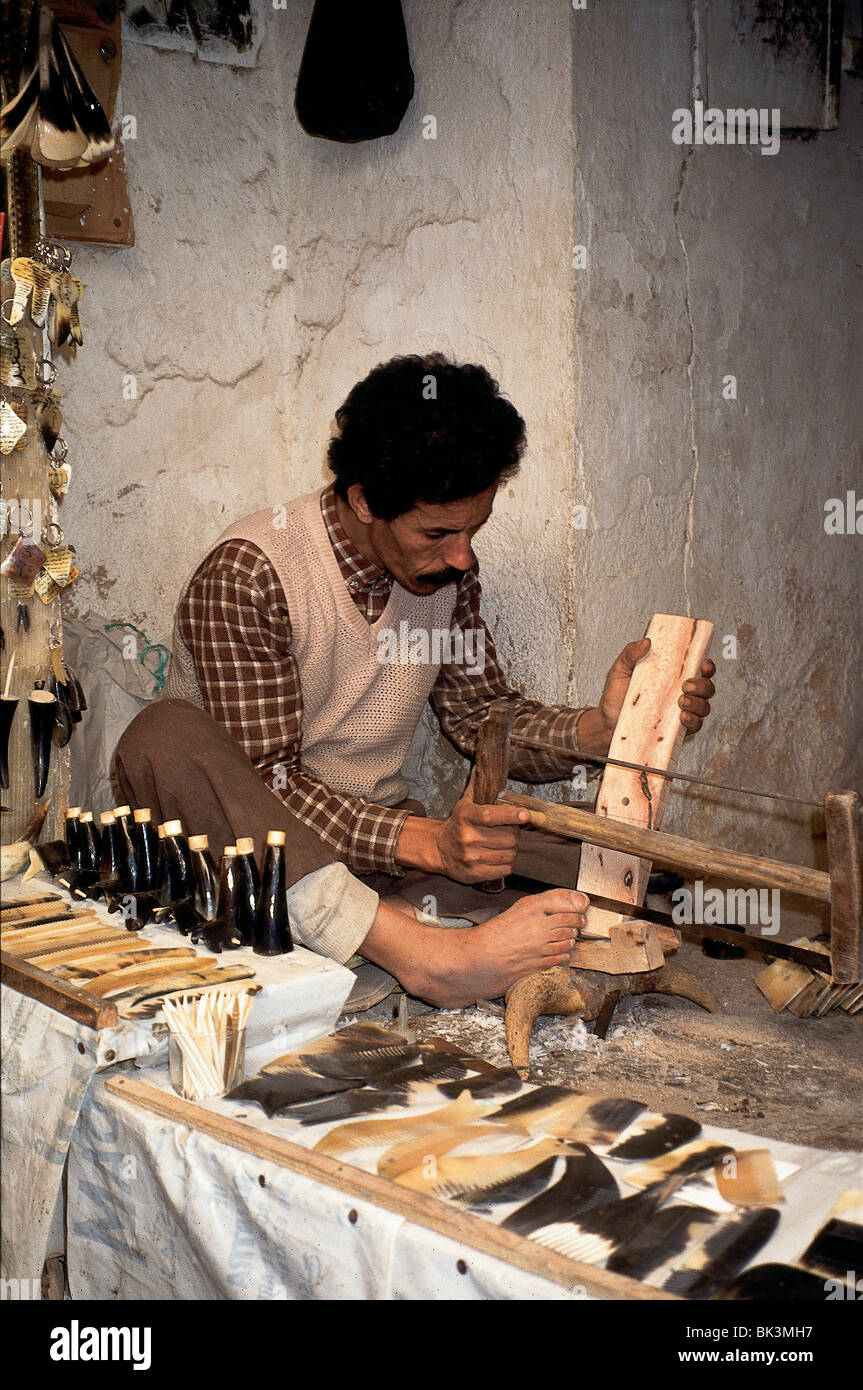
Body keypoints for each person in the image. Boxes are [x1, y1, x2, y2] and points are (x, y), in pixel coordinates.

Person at [115, 354, 714, 1005]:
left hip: (378, 850)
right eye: (437, 532)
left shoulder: (447, 570)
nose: (460, 555)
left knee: (630, 872)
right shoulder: (250, 575)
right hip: (253, 850)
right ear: (364, 500)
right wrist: (427, 843)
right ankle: (423, 953)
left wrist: (602, 728)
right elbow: (270, 780)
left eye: (472, 530)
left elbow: (481, 715)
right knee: (160, 735)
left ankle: (389, 919)